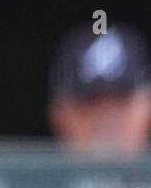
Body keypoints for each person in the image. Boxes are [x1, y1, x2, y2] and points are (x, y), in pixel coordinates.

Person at [48, 24, 150, 156]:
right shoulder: (25, 177)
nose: (107, 114)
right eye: (90, 99)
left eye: (122, 98)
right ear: (59, 114)